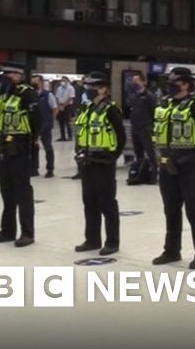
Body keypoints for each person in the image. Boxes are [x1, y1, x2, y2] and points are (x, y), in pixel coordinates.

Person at [152, 67, 195, 269]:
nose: (170, 84)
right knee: (171, 209)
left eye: (175, 81)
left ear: (186, 84)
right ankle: (171, 250)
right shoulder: (165, 104)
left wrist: (194, 152)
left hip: (192, 165)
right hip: (167, 163)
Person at [0, 63, 39, 248]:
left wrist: (33, 141)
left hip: (21, 146)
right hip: (4, 146)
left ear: (17, 75)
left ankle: (27, 232)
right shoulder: (4, 92)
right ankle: (7, 230)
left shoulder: (27, 93)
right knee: (6, 191)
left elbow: (36, 120)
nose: (5, 77)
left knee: (23, 192)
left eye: (8, 74)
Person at [72, 72, 125, 256]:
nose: (90, 89)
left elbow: (121, 137)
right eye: (88, 86)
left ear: (104, 89)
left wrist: (112, 157)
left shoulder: (111, 109)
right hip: (87, 161)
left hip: (103, 162)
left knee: (107, 202)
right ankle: (92, 239)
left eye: (94, 86)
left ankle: (112, 241)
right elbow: (81, 132)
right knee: (89, 201)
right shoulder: (86, 108)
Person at [128, 73, 158, 185]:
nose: (135, 83)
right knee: (138, 151)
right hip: (135, 126)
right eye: (133, 81)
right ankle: (140, 173)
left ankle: (154, 174)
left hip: (146, 127)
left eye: (137, 81)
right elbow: (129, 104)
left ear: (143, 82)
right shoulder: (133, 95)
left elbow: (154, 111)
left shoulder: (149, 95)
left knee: (150, 152)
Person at [29, 75, 58, 178]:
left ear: (41, 83)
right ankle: (34, 168)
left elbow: (55, 108)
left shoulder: (48, 95)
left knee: (48, 147)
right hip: (34, 126)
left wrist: (51, 121)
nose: (34, 84)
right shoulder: (31, 95)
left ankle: (50, 169)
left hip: (45, 125)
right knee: (33, 148)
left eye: (35, 82)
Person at [55, 76, 75, 141]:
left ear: (67, 81)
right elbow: (57, 97)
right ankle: (62, 136)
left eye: (64, 80)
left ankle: (70, 136)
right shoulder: (59, 88)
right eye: (61, 81)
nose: (62, 82)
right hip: (60, 105)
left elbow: (70, 98)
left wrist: (63, 106)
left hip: (67, 106)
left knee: (67, 121)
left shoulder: (70, 88)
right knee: (60, 122)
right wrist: (59, 106)